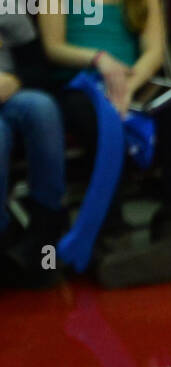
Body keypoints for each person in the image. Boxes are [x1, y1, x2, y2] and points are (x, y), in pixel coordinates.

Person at [38, 0, 171, 287]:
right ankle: (111, 236)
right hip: (79, 84)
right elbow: (53, 47)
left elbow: (154, 51)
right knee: (96, 122)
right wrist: (99, 59)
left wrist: (128, 85)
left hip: (132, 82)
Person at [0, 10, 65, 288]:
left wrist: (16, 79)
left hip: (11, 94)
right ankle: (4, 238)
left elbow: (39, 70)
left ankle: (43, 232)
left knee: (42, 107)